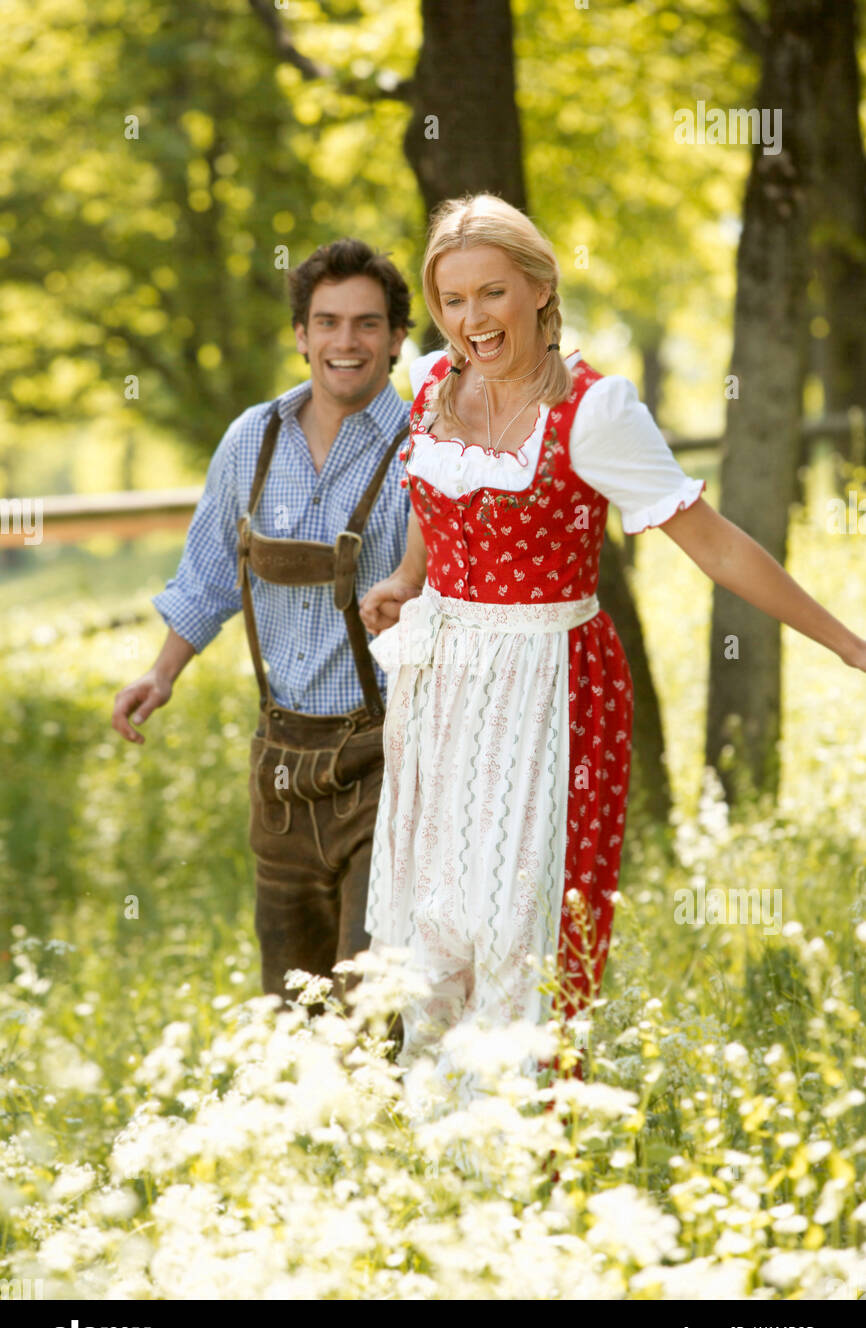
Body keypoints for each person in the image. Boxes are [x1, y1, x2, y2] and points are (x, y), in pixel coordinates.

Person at [358, 192, 866, 1099]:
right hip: (443, 683)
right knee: (434, 925)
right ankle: (437, 1166)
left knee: (523, 927)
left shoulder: (594, 412)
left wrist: (844, 642)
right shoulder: (432, 385)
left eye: (492, 295)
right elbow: (433, 516)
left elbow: (712, 542)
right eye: (452, 301)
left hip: (550, 683)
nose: (471, 321)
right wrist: (404, 582)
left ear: (541, 287)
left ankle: (519, 1163)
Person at [111, 239, 419, 1031]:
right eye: (327, 322)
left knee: (371, 1004)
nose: (345, 342)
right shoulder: (253, 438)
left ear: (395, 337)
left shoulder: (426, 447)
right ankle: (308, 1155)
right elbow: (210, 574)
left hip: (390, 756)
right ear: (300, 334)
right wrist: (162, 673)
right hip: (280, 765)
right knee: (292, 1010)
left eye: (366, 324)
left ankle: (382, 1148)